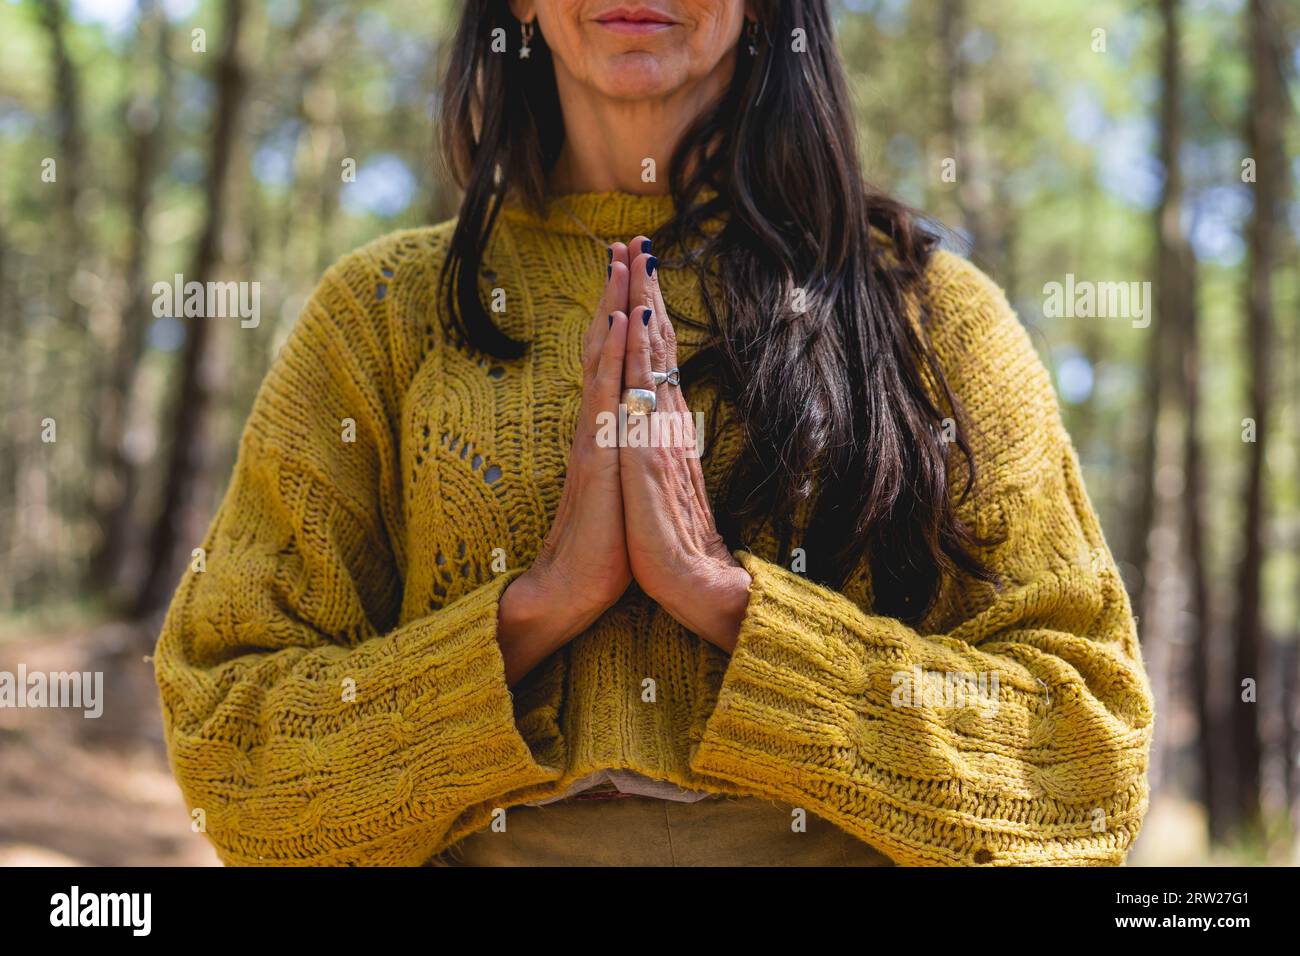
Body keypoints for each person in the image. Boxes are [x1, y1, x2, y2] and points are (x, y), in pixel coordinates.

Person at [153, 0, 1154, 866]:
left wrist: (727, 604)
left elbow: (1088, 758)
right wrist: (536, 609)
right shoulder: (381, 315)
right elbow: (227, 742)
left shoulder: (926, 315)